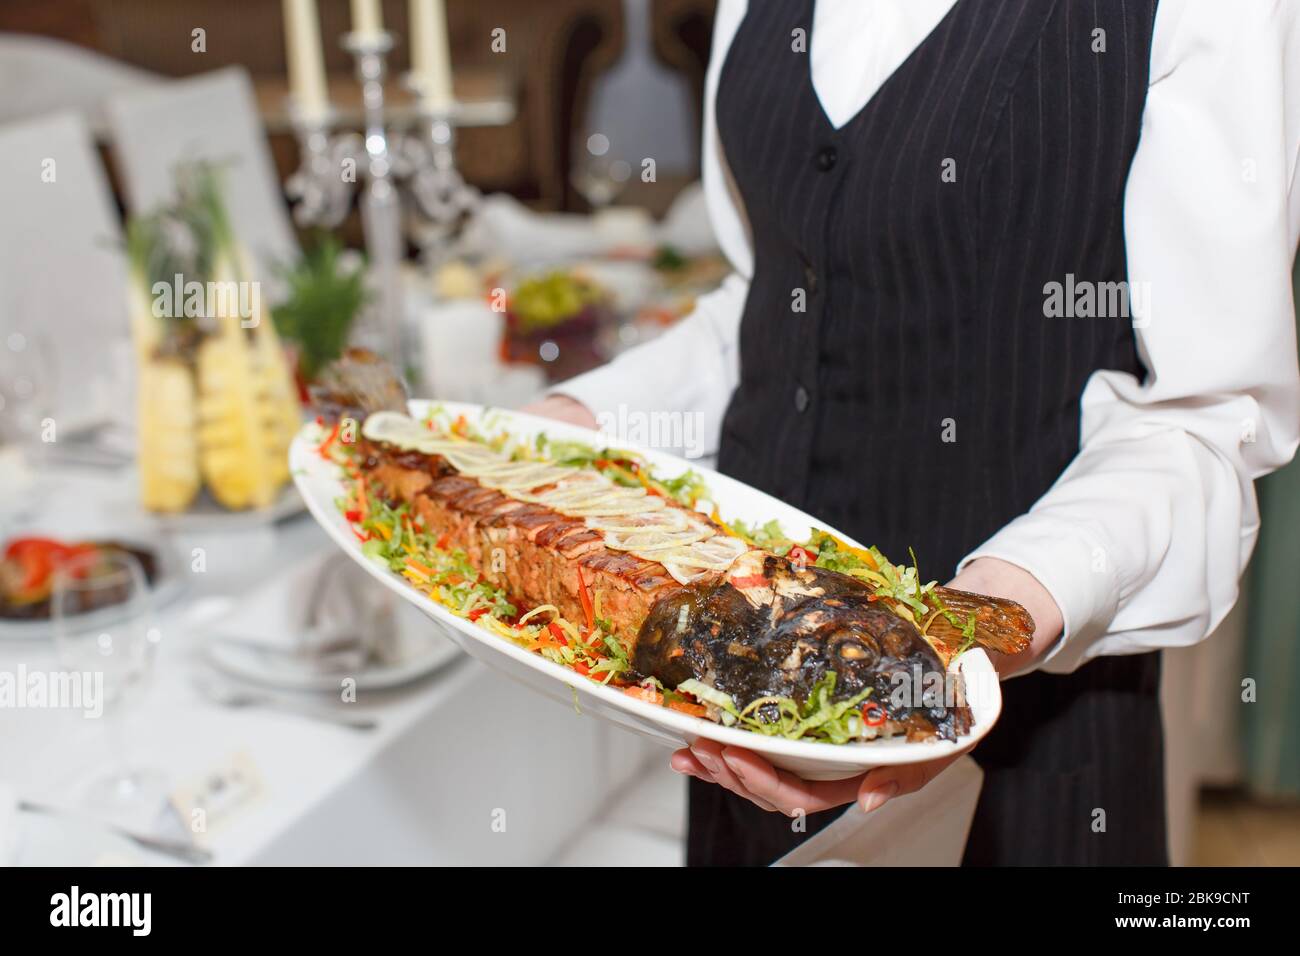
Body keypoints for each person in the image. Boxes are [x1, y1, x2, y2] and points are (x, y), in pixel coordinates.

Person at [526, 0, 1300, 865]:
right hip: (739, 722)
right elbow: (772, 304)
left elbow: (1202, 420)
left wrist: (961, 641)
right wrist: (556, 437)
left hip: (1034, 753)